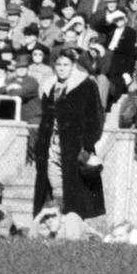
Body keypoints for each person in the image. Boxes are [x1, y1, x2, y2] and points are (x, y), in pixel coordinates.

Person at [34, 49, 106, 224]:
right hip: (51, 143)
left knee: (75, 187)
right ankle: (58, 222)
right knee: (54, 183)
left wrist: (86, 143)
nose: (61, 69)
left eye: (66, 65)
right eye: (58, 64)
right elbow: (45, 118)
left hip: (75, 145)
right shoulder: (49, 85)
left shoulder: (86, 85)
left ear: (73, 66)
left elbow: (96, 118)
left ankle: (74, 224)